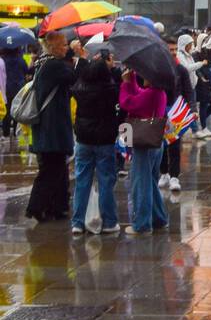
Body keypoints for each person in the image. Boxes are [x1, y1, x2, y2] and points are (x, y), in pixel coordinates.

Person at [24, 31, 76, 223]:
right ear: (53, 47)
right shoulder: (53, 65)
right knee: (50, 170)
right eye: (63, 45)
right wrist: (79, 57)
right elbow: (73, 76)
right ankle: (36, 207)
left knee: (58, 168)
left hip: (49, 128)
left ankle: (58, 206)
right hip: (52, 130)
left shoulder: (43, 63)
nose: (67, 47)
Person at [70, 47, 122, 236]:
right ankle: (109, 222)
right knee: (106, 180)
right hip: (104, 140)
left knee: (82, 180)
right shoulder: (110, 89)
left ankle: (77, 222)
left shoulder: (80, 88)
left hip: (83, 139)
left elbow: (78, 75)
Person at [120, 71, 169, 236]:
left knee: (140, 183)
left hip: (144, 144)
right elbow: (139, 94)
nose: (143, 77)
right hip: (155, 142)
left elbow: (128, 102)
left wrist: (126, 83)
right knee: (150, 183)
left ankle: (142, 224)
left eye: (146, 75)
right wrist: (132, 80)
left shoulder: (151, 94)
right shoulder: (158, 92)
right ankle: (159, 218)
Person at [159, 36, 196, 193]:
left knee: (174, 145)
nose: (173, 52)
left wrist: (192, 109)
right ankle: (164, 173)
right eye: (170, 49)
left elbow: (189, 91)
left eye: (175, 49)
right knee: (161, 145)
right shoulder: (158, 69)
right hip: (160, 111)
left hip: (176, 111)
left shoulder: (181, 70)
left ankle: (174, 176)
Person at [2, 44, 28, 143]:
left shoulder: (3, 60)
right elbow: (26, 70)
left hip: (6, 88)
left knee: (7, 111)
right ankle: (16, 133)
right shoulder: (20, 60)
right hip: (19, 89)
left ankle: (6, 134)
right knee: (17, 110)